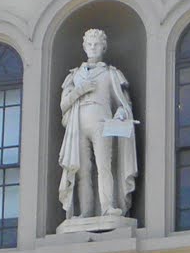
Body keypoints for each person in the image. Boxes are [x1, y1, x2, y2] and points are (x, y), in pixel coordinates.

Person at [57, 27, 138, 225]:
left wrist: (120, 114)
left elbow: (123, 104)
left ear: (103, 48)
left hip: (102, 123)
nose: (93, 48)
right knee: (83, 170)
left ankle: (107, 206)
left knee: (104, 166)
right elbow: (63, 104)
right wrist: (80, 91)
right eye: (90, 45)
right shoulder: (74, 76)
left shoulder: (111, 73)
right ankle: (85, 212)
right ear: (84, 47)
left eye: (97, 45)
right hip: (78, 125)